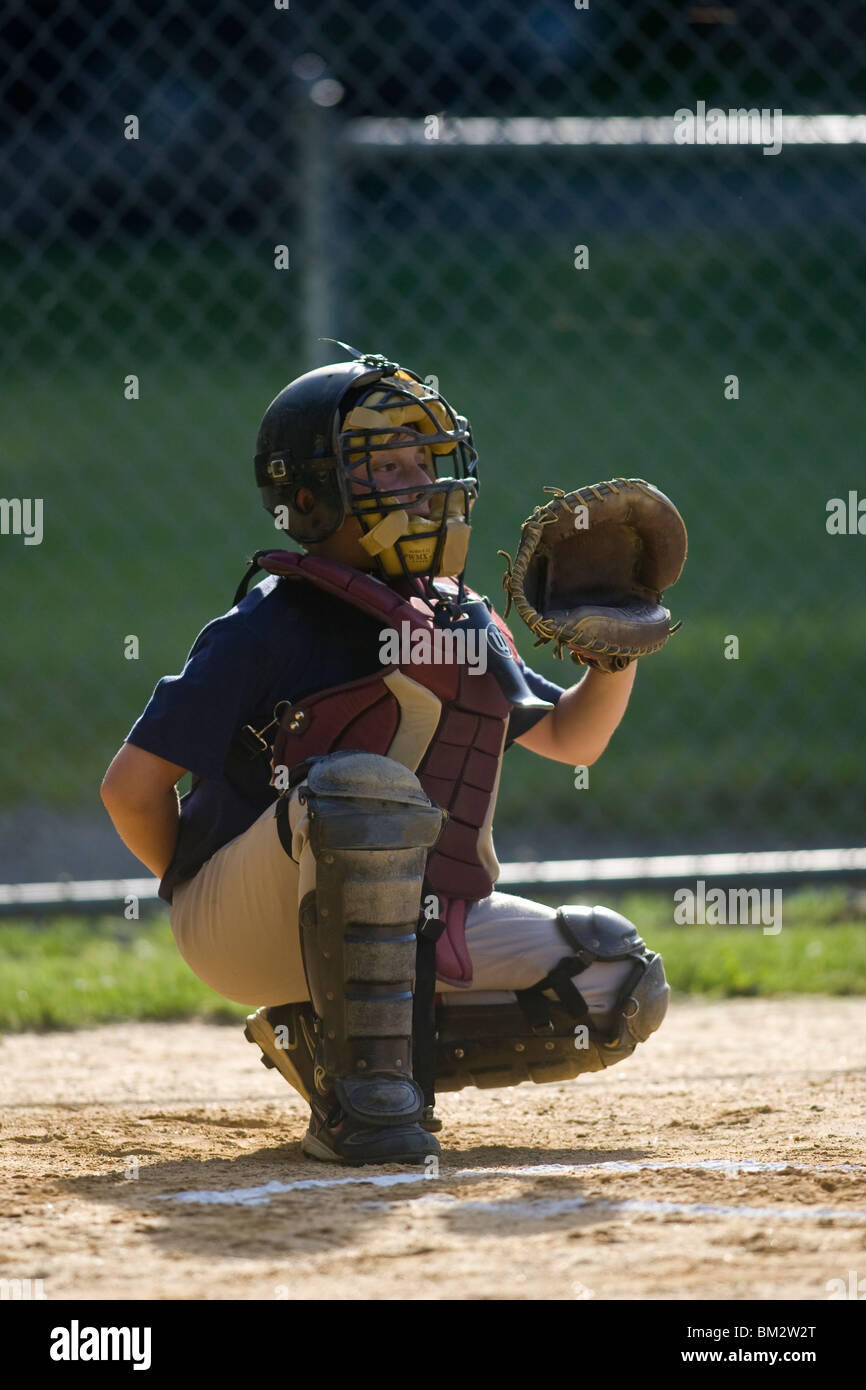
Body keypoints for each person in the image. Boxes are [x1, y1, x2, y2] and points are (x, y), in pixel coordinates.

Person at [100, 345, 669, 1167]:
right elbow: (130, 789)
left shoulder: (455, 620)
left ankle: (343, 1058)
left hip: (415, 915)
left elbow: (572, 737)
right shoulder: (268, 626)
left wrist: (611, 657)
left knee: (612, 983)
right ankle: (359, 1108)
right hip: (247, 919)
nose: (421, 482)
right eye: (388, 466)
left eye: (423, 461)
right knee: (362, 790)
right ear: (312, 494)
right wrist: (200, 888)